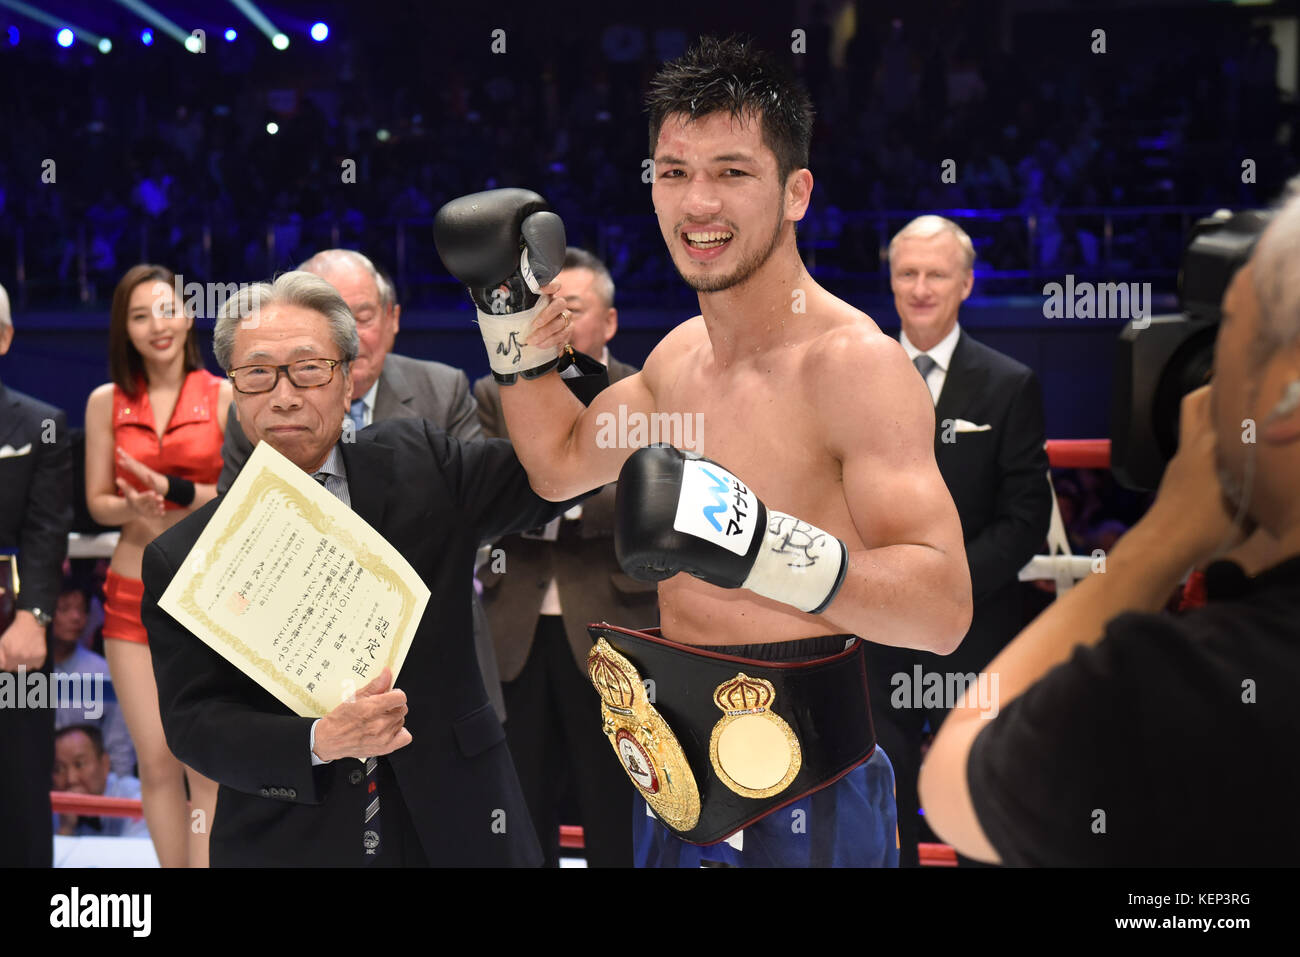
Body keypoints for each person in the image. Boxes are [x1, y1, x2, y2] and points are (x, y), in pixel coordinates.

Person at [439, 36, 971, 867]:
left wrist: (762, 548)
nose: (698, 204)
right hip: (678, 772)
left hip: (810, 777)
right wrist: (509, 318)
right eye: (674, 172)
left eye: (732, 171)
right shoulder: (678, 359)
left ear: (796, 191)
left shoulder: (853, 363)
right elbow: (560, 460)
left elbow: (943, 610)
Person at [141, 271, 585, 866]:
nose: (285, 395)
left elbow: (551, 477)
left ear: (348, 378)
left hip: (463, 820)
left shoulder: (423, 464)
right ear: (236, 392)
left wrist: (533, 351)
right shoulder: (187, 557)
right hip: (291, 839)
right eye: (258, 373)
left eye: (309, 368)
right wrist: (317, 741)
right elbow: (195, 724)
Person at [919, 186, 1300, 865]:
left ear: (1286, 392)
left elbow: (957, 783)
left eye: (1227, 330)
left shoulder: (1185, 683)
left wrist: (1158, 541)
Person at [217, 249, 505, 721]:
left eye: (363, 315)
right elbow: (238, 525)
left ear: (392, 319)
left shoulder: (443, 389)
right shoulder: (256, 410)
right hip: (300, 652)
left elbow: (477, 521)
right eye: (332, 317)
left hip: (434, 651)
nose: (352, 333)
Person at [862, 215, 1051, 866]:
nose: (919, 287)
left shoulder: (1008, 383)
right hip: (877, 632)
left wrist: (943, 583)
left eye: (935, 273)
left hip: (975, 632)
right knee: (880, 806)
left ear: (966, 283)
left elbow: (1025, 517)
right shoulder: (853, 378)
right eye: (906, 273)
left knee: (975, 799)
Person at [474, 247, 651, 867]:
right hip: (514, 626)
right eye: (546, 307)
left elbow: (647, 506)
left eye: (572, 308)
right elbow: (482, 500)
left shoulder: (643, 395)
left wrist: (551, 490)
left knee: (616, 804)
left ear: (609, 321)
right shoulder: (498, 394)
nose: (559, 321)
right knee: (521, 804)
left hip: (614, 630)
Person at [84, 263, 231, 867]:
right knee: (157, 759)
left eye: (165, 309)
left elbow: (235, 493)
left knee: (206, 760)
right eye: (139, 316)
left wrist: (174, 490)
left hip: (208, 594)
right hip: (129, 592)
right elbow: (97, 502)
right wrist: (134, 504)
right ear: (125, 328)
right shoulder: (105, 402)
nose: (156, 325)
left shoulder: (223, 394)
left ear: (188, 313)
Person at [0, 280, 74, 867]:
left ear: (4, 338)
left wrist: (35, 617)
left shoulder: (41, 425)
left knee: (21, 782)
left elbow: (48, 529)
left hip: (13, 620)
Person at [49, 581, 137, 777]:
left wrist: (118, 790)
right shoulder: (19, 669)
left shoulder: (102, 671)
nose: (76, 617)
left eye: (82, 610)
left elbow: (118, 743)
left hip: (91, 786)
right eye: (64, 609)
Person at [52, 724, 150, 839]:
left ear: (105, 764)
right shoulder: (48, 807)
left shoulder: (133, 796)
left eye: (79, 764)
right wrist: (65, 829)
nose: (71, 779)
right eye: (59, 769)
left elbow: (135, 853)